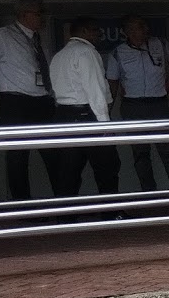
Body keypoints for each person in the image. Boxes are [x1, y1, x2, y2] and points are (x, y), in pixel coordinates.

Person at [0, 0, 64, 199]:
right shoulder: (4, 36)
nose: (42, 17)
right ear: (23, 15)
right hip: (15, 102)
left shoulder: (37, 38)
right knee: (18, 156)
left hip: (42, 101)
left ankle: (63, 204)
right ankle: (22, 208)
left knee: (54, 153)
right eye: (38, 13)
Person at [106, 15, 169, 191]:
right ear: (125, 32)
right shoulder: (118, 52)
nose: (136, 33)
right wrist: (107, 113)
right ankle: (150, 196)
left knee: (168, 151)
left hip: (159, 104)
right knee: (141, 153)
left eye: (139, 29)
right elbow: (113, 82)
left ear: (146, 30)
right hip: (132, 106)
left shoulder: (160, 44)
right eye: (131, 30)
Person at [50, 17, 120, 199]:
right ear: (83, 32)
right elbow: (94, 88)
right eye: (95, 30)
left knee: (68, 170)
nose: (99, 34)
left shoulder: (59, 55)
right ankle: (110, 213)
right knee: (107, 167)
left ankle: (65, 218)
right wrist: (105, 123)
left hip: (63, 115)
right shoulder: (86, 52)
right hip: (86, 114)